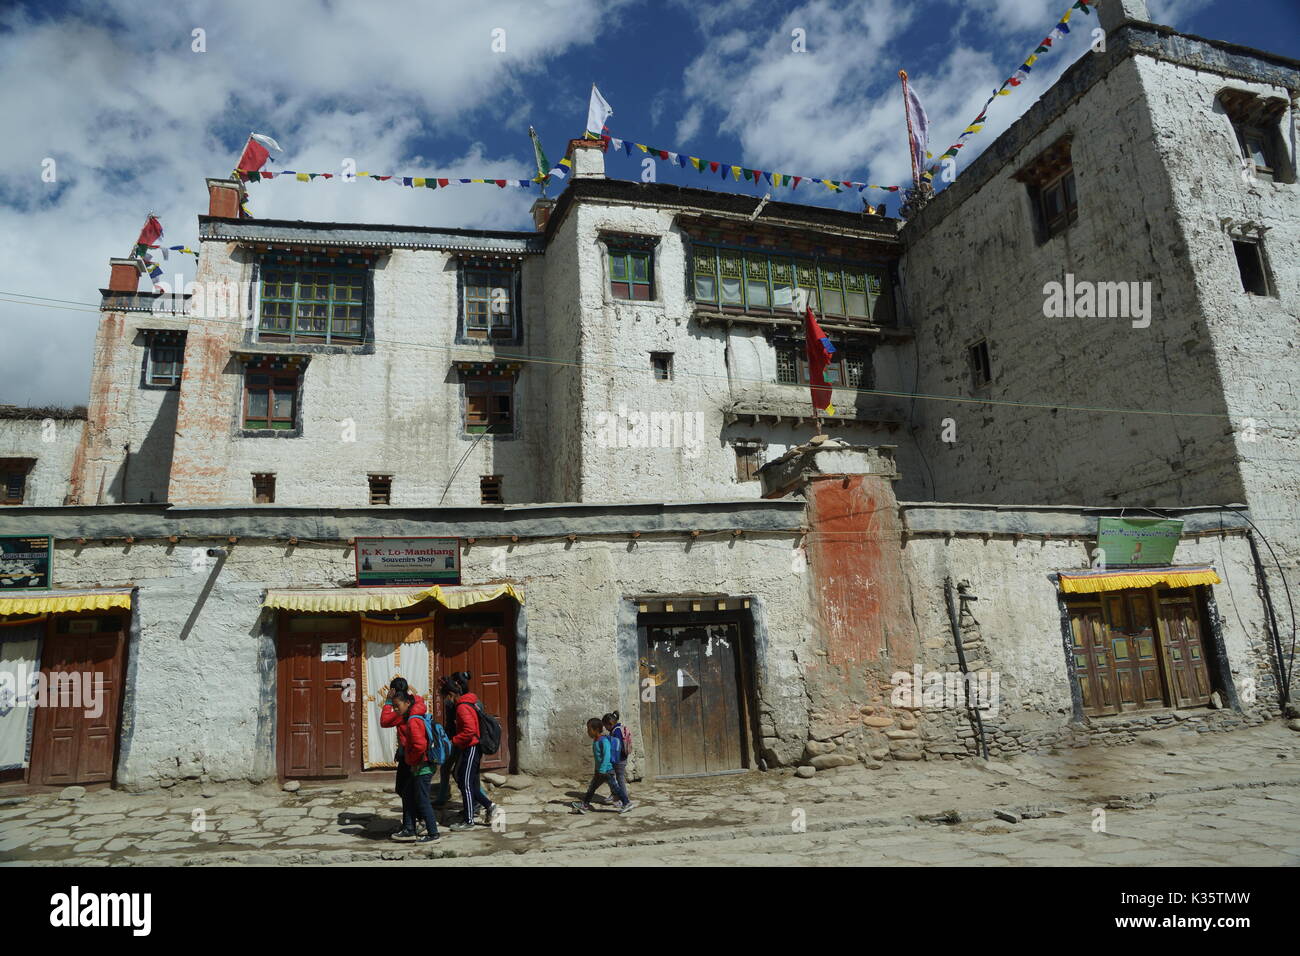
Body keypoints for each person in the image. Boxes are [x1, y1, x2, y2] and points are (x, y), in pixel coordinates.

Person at [385, 687, 440, 843]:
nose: (395, 709)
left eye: (397, 706)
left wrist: (413, 763)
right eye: (393, 706)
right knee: (408, 794)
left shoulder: (413, 720)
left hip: (422, 766)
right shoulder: (414, 716)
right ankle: (410, 829)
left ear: (407, 703)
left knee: (422, 800)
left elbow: (419, 746)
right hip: (419, 765)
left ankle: (433, 833)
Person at [446, 672, 498, 831]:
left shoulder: (462, 707)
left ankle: (469, 821)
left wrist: (453, 740)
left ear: (451, 694)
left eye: (447, 697)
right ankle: (489, 806)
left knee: (466, 784)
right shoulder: (471, 701)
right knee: (465, 781)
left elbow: (469, 731)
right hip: (469, 748)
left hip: (471, 748)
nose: (447, 700)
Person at [571, 718, 616, 813]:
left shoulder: (603, 741)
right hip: (600, 771)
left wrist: (602, 769)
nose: (588, 732)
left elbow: (606, 756)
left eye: (589, 729)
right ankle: (585, 805)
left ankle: (626, 802)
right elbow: (598, 758)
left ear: (595, 730)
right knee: (592, 788)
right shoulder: (596, 740)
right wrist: (597, 770)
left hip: (606, 770)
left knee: (616, 788)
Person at [601, 711, 634, 812]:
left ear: (610, 724)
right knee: (613, 777)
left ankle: (625, 801)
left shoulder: (616, 731)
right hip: (621, 758)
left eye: (606, 726)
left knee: (620, 780)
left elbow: (616, 747)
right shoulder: (618, 729)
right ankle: (615, 795)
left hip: (619, 759)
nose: (605, 728)